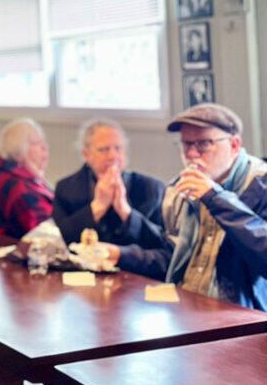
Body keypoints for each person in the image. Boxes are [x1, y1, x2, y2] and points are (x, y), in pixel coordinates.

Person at [105, 104, 267, 310]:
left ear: (234, 146)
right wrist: (121, 253)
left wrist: (216, 198)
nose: (192, 153)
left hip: (241, 319)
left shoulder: (261, 184)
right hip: (184, 309)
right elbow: (170, 256)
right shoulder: (177, 190)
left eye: (204, 143)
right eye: (186, 144)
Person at [52, 119, 166, 248]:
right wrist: (97, 207)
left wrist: (125, 211)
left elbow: (160, 243)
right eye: (104, 149)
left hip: (131, 266)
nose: (113, 156)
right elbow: (57, 240)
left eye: (118, 148)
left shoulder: (151, 188)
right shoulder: (66, 188)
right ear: (86, 154)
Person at [0, 118, 53, 241]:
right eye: (36, 143)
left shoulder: (2, 173)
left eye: (43, 142)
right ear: (19, 149)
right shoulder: (20, 188)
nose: (44, 148)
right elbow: (48, 235)